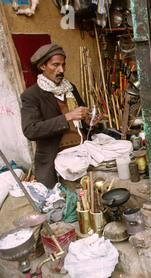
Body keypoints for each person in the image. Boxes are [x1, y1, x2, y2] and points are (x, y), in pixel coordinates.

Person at [20, 44, 102, 189]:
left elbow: (82, 120)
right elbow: (30, 130)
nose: (61, 70)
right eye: (55, 65)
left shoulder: (69, 88)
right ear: (42, 66)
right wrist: (67, 117)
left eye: (63, 65)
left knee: (124, 148)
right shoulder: (32, 95)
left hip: (82, 148)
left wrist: (89, 122)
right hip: (57, 154)